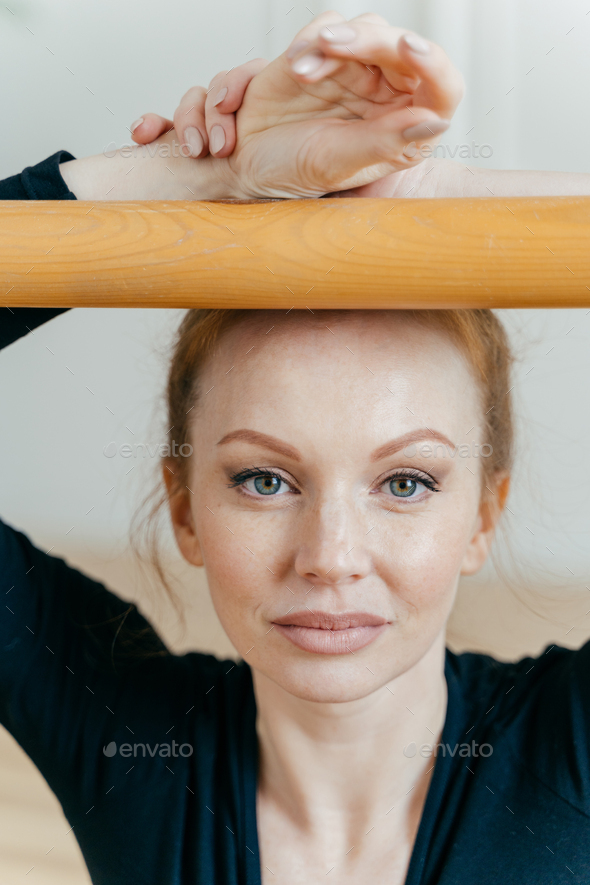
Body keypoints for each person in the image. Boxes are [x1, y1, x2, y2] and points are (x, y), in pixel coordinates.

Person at [1, 12, 589, 885]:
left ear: (484, 512)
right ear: (185, 504)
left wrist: (429, 196)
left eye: (405, 481)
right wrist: (203, 176)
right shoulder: (128, 741)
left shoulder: (566, 751)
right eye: (265, 478)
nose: (331, 558)